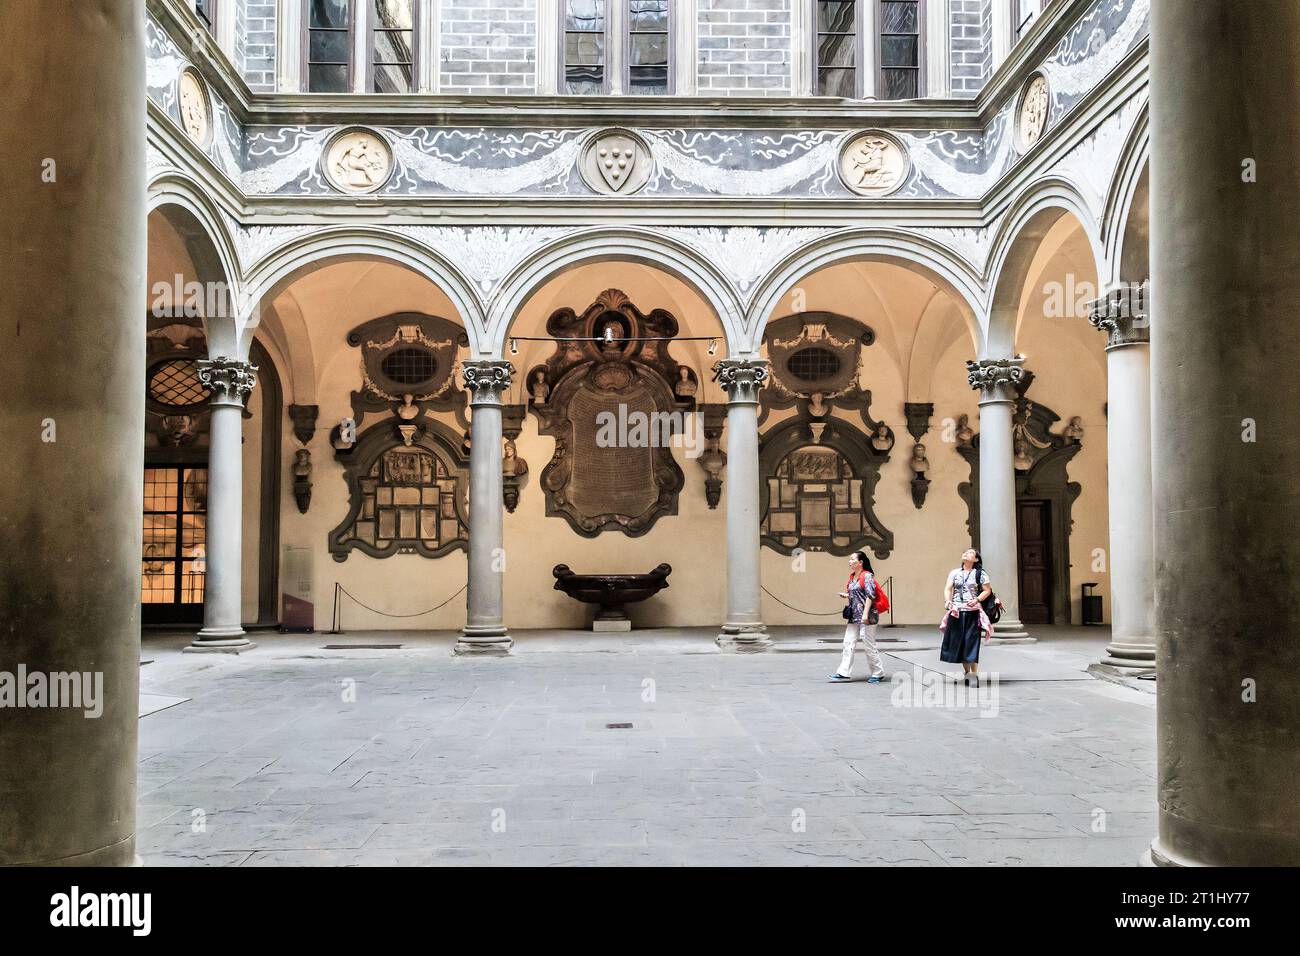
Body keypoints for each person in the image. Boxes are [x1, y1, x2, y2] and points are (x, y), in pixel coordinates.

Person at [829, 551, 884, 683]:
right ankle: (843, 672)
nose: (849, 561)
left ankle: (878, 672)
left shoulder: (867, 576)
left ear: (860, 562)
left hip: (867, 616)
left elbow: (871, 595)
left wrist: (865, 614)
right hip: (854, 615)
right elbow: (857, 594)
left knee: (868, 644)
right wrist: (847, 595)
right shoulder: (853, 576)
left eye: (852, 559)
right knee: (848, 642)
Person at [940, 548, 993, 684]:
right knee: (959, 643)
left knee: (972, 642)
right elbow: (948, 588)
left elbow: (987, 590)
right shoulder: (955, 573)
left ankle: (973, 675)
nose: (965, 553)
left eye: (970, 552)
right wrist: (947, 600)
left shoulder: (980, 573)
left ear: (976, 559)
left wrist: (977, 600)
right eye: (965, 552)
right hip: (957, 611)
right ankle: (967, 672)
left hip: (973, 612)